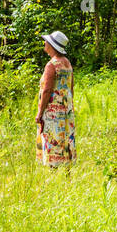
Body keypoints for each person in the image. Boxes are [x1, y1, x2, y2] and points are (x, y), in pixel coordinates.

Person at [36, 31, 76, 169]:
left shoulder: (51, 65)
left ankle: (53, 172)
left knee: (52, 138)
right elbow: (71, 88)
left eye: (47, 41)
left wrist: (40, 113)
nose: (45, 43)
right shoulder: (67, 63)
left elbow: (47, 90)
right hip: (66, 110)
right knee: (65, 139)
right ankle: (67, 172)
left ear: (52, 45)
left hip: (53, 111)